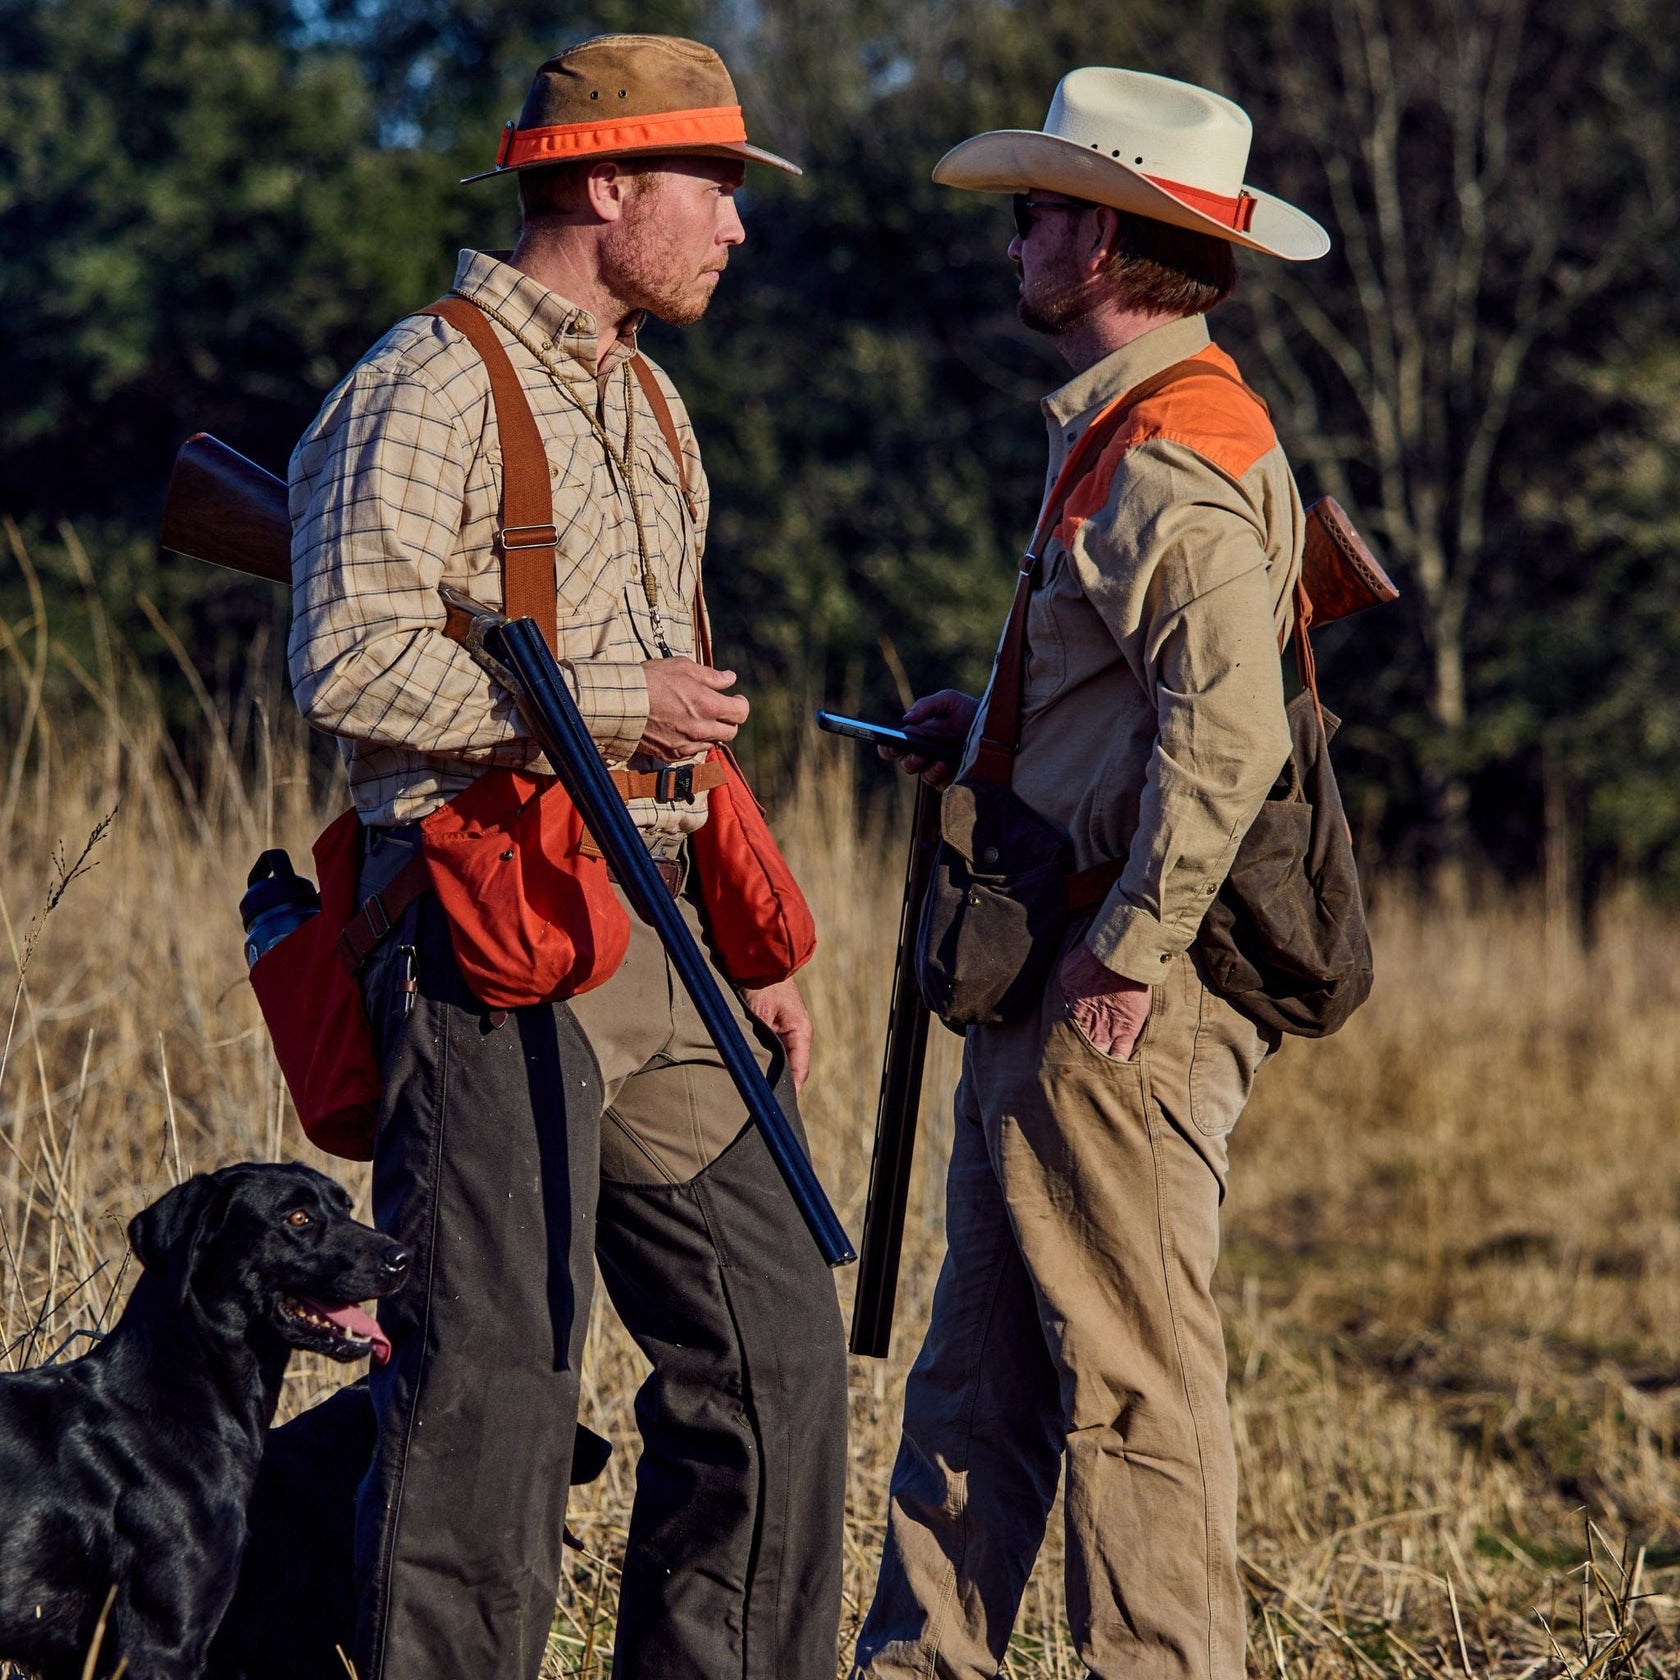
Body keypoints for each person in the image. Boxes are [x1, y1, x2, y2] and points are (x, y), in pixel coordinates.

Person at [286, 34, 846, 1680]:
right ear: (608, 186)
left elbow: (687, 720)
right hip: (486, 936)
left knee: (778, 1365)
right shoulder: (424, 382)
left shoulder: (655, 403)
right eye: (716, 189)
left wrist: (754, 941)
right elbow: (344, 660)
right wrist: (613, 700)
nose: (738, 228)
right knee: (491, 1409)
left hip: (658, 932)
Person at [854, 68, 1331, 1680]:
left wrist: (1126, 954)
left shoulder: (1165, 460)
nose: (1020, 237)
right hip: (1059, 979)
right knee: (975, 1390)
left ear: (1118, 244)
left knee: (1130, 1387)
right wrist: (981, 732)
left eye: (1046, 209)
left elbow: (1234, 734)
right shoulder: (1128, 434)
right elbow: (1133, 706)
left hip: (1113, 995)